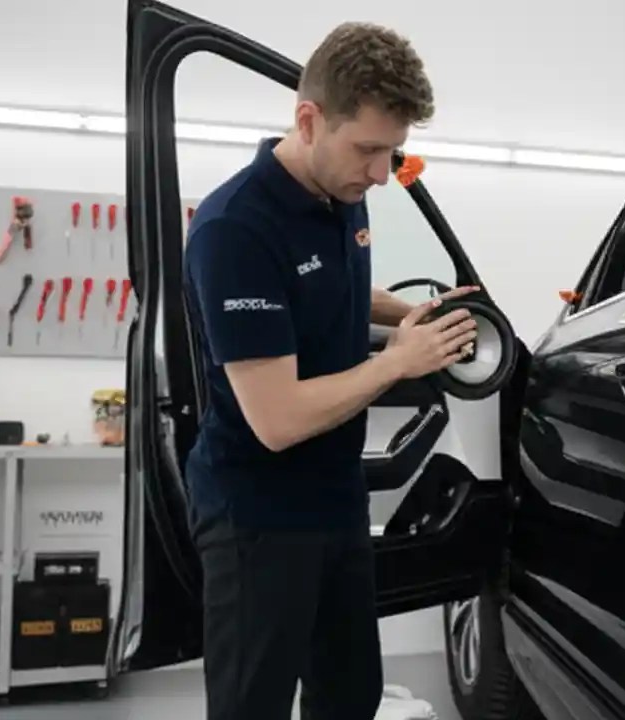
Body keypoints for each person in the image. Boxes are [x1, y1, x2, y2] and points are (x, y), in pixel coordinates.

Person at [181, 20, 479, 720]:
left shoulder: (340, 193)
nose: (380, 173)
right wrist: (396, 364)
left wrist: (410, 315)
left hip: (335, 498)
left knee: (349, 696)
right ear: (309, 119)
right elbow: (278, 420)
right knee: (252, 706)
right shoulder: (236, 230)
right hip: (257, 511)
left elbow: (333, 285)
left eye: (394, 152)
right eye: (370, 150)